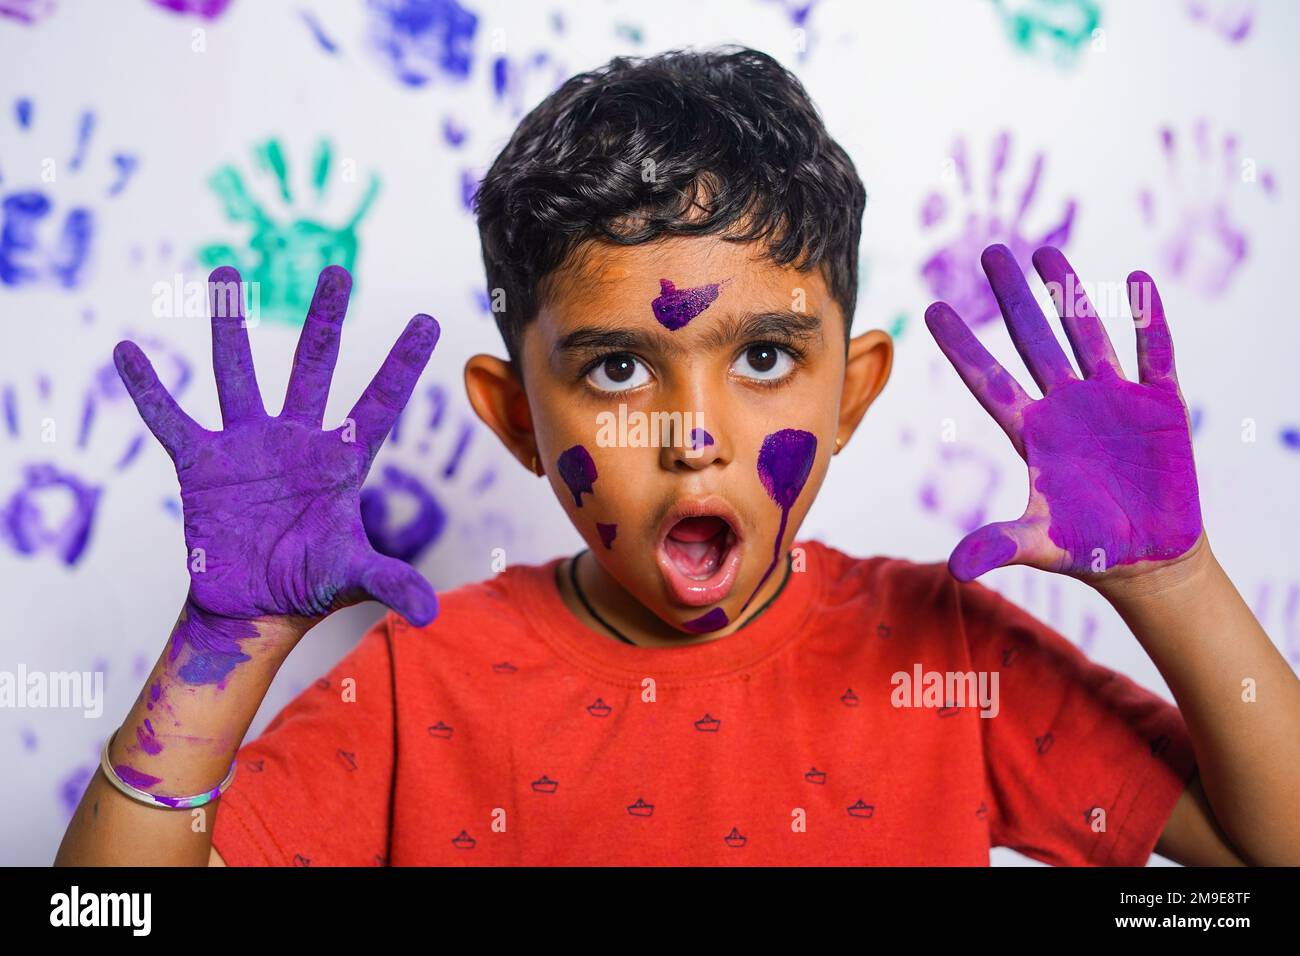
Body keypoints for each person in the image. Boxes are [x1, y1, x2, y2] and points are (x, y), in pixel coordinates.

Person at [55, 47, 1299, 867]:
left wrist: (1174, 578)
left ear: (853, 391)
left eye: (763, 356)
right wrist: (220, 646)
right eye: (613, 368)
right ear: (513, 420)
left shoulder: (952, 656)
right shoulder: (419, 682)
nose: (692, 432)